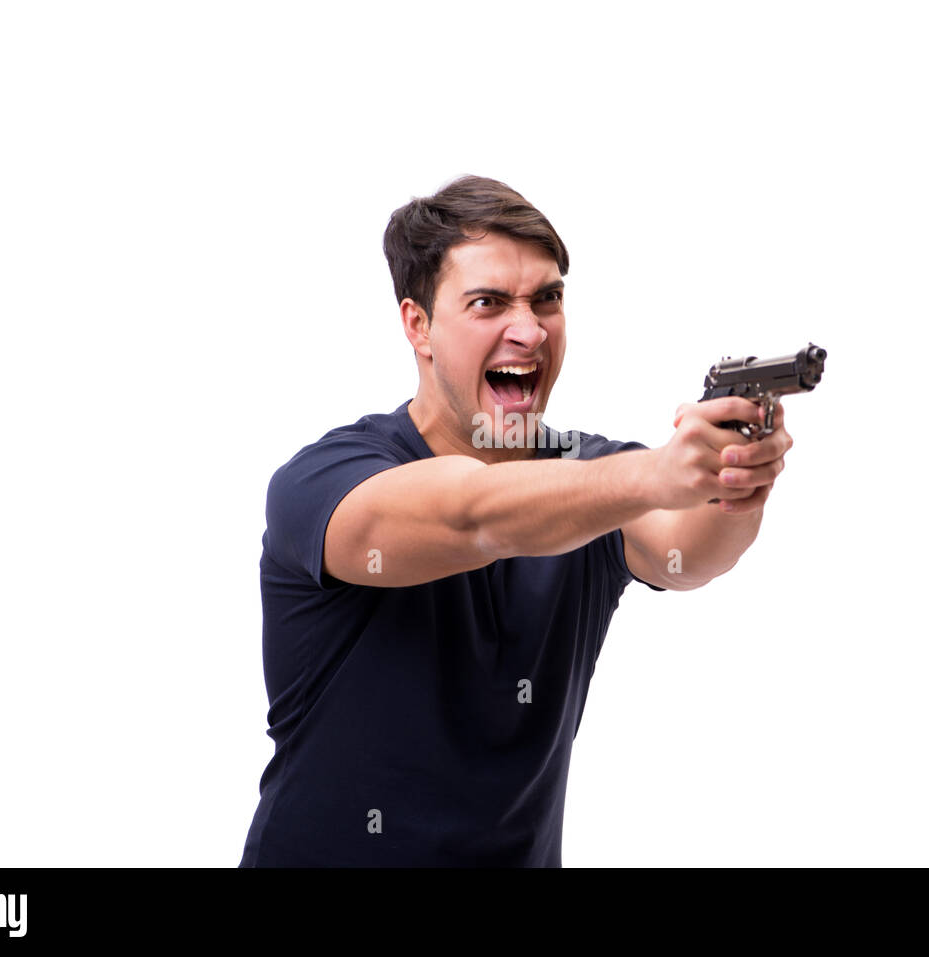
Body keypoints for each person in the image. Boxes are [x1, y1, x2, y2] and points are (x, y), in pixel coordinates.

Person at [238, 174, 793, 866]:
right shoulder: (324, 481)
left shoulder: (592, 478)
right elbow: (470, 517)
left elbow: (688, 552)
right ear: (418, 326)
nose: (528, 330)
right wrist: (655, 473)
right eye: (488, 303)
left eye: (548, 299)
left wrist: (734, 480)